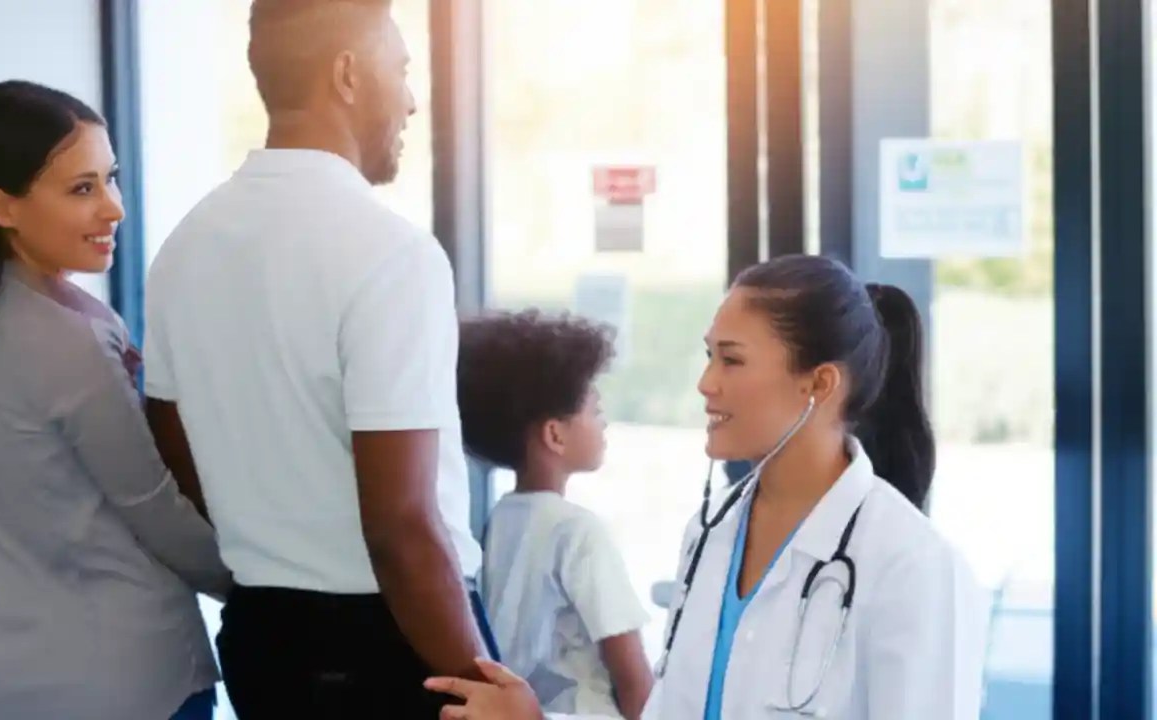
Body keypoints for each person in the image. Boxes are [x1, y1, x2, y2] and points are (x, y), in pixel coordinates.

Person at [425, 254, 989, 720]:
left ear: (818, 383)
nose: (705, 383)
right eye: (708, 356)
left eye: (732, 360)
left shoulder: (912, 565)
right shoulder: (711, 534)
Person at [142, 1, 491, 717]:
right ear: (348, 74)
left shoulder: (184, 247)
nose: (413, 100)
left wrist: (276, 530)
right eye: (401, 69)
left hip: (262, 640)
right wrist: (480, 685)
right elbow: (399, 526)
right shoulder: (391, 253)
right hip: (394, 644)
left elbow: (175, 445)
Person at [0, 80, 230, 720]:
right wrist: (258, 585)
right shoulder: (71, 343)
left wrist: (19, 639)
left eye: (111, 178)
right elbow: (156, 511)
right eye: (82, 188)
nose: (114, 208)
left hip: (5, 689)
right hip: (136, 681)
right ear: (0, 207)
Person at [457, 311, 654, 719]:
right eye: (595, 410)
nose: (604, 423)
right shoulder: (578, 531)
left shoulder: (500, 521)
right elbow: (635, 681)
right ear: (555, 435)